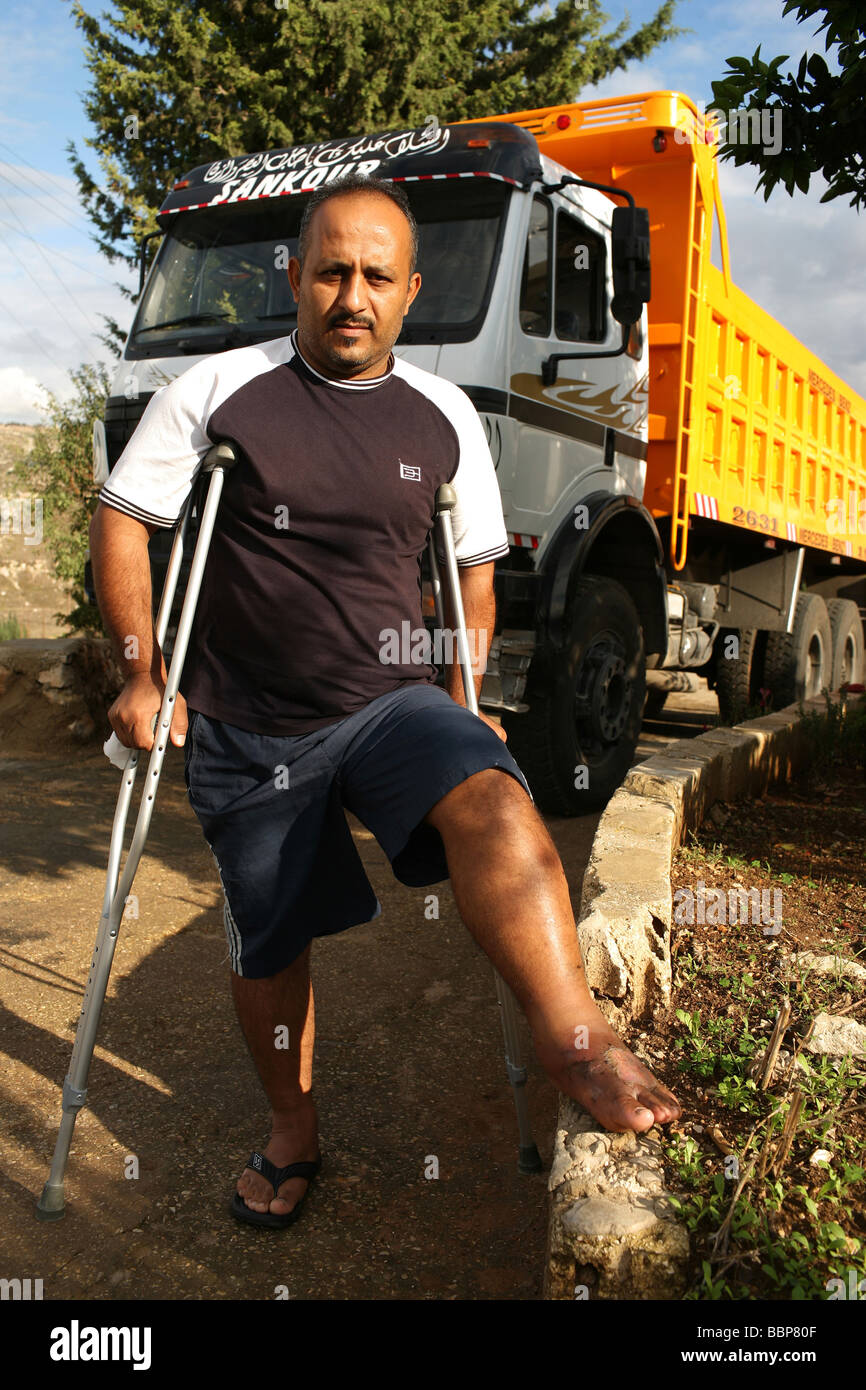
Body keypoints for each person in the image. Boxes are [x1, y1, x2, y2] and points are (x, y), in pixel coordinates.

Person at [89, 173, 681, 1230]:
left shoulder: (444, 412)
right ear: (294, 277)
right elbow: (125, 517)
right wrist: (141, 671)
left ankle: (574, 1042)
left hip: (387, 700)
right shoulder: (218, 388)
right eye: (330, 271)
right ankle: (292, 1129)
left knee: (500, 800)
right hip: (246, 716)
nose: (350, 295)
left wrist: (463, 695)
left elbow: (473, 575)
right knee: (269, 942)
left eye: (375, 276)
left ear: (409, 291)